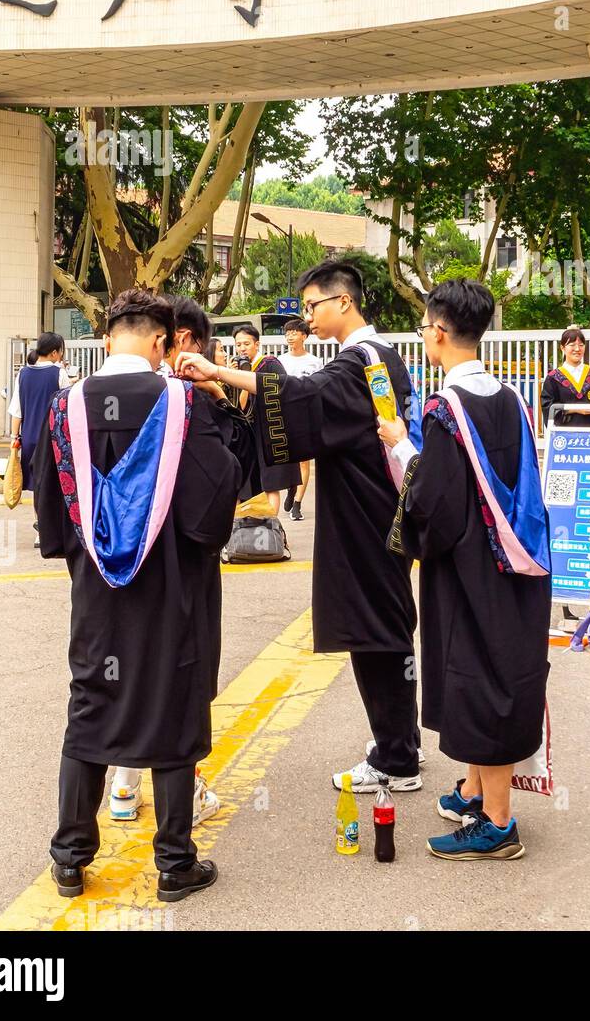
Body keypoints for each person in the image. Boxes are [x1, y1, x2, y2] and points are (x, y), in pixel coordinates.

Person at [177, 260, 424, 797]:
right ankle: (400, 741)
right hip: (380, 505)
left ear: (344, 302)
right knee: (385, 623)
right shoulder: (376, 357)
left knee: (376, 630)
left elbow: (300, 398)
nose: (306, 315)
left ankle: (396, 758)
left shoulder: (361, 360)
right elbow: (303, 392)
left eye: (312, 305)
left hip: (366, 513)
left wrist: (219, 374)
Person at [32, 290, 243, 903]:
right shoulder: (179, 404)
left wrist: (80, 553)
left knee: (91, 705)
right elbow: (214, 499)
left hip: (97, 595)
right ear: (161, 340)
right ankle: (175, 864)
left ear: (108, 337)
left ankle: (71, 857)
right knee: (173, 706)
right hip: (171, 589)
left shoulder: (67, 405)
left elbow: (51, 502)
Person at [379, 279, 551, 862]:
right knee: (499, 669)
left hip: (472, 567)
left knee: (478, 674)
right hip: (517, 563)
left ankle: (499, 824)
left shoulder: (445, 409)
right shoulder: (511, 399)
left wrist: (402, 448)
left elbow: (434, 505)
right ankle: (477, 791)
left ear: (438, 331)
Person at [106, 295, 256, 831]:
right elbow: (227, 486)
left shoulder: (83, 401)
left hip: (107, 574)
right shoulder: (182, 404)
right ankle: (183, 800)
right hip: (178, 571)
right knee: (179, 682)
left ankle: (123, 789)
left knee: (121, 674)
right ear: (177, 343)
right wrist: (218, 400)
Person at [230, 323, 300, 513]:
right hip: (253, 436)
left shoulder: (270, 364)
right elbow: (242, 407)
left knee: (271, 484)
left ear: (257, 344)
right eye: (238, 345)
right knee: (255, 485)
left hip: (271, 433)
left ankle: (272, 531)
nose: (242, 348)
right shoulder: (239, 370)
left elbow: (285, 391)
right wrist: (240, 377)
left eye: (246, 343)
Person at [9, 332, 70, 493]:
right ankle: (48, 518)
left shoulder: (23, 374)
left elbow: (17, 410)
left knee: (36, 484)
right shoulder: (59, 373)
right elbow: (67, 407)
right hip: (52, 438)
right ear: (54, 353)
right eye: (61, 350)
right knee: (52, 485)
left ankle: (38, 517)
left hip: (28, 438)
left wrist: (14, 437)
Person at [278, 317, 322, 522]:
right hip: (284, 415)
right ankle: (291, 486)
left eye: (294, 332)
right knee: (289, 460)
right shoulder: (281, 361)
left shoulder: (314, 362)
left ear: (304, 336)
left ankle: (297, 503)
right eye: (287, 333)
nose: (290, 336)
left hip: (304, 415)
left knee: (304, 461)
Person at [540, 326, 590, 428]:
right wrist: (574, 409)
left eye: (581, 345)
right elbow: (548, 407)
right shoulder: (554, 377)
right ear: (563, 348)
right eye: (572, 345)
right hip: (565, 434)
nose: (577, 349)